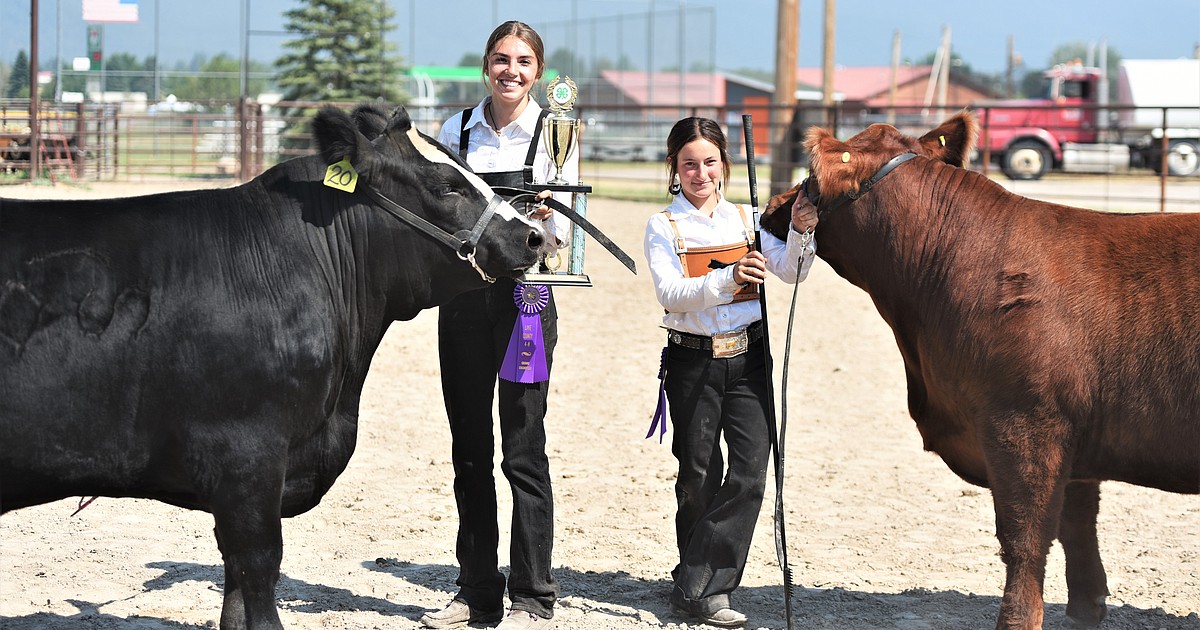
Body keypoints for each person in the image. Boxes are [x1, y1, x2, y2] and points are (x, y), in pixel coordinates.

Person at [421, 20, 574, 630]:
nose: (512, 70)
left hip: (527, 304)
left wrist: (546, 224)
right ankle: (476, 590)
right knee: (469, 450)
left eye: (524, 61)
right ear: (486, 65)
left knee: (523, 449)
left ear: (538, 71)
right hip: (462, 299)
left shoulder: (555, 134)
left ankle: (533, 594)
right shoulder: (454, 131)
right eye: (502, 59)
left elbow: (565, 233)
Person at [643, 117, 818, 628]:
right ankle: (695, 582)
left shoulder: (747, 219)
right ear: (674, 167)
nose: (701, 173)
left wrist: (801, 231)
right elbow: (671, 294)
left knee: (749, 473)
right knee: (698, 476)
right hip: (692, 360)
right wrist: (728, 278)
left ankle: (703, 586)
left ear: (724, 163)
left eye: (710, 162)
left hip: (750, 360)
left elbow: (792, 270)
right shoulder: (663, 225)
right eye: (689, 164)